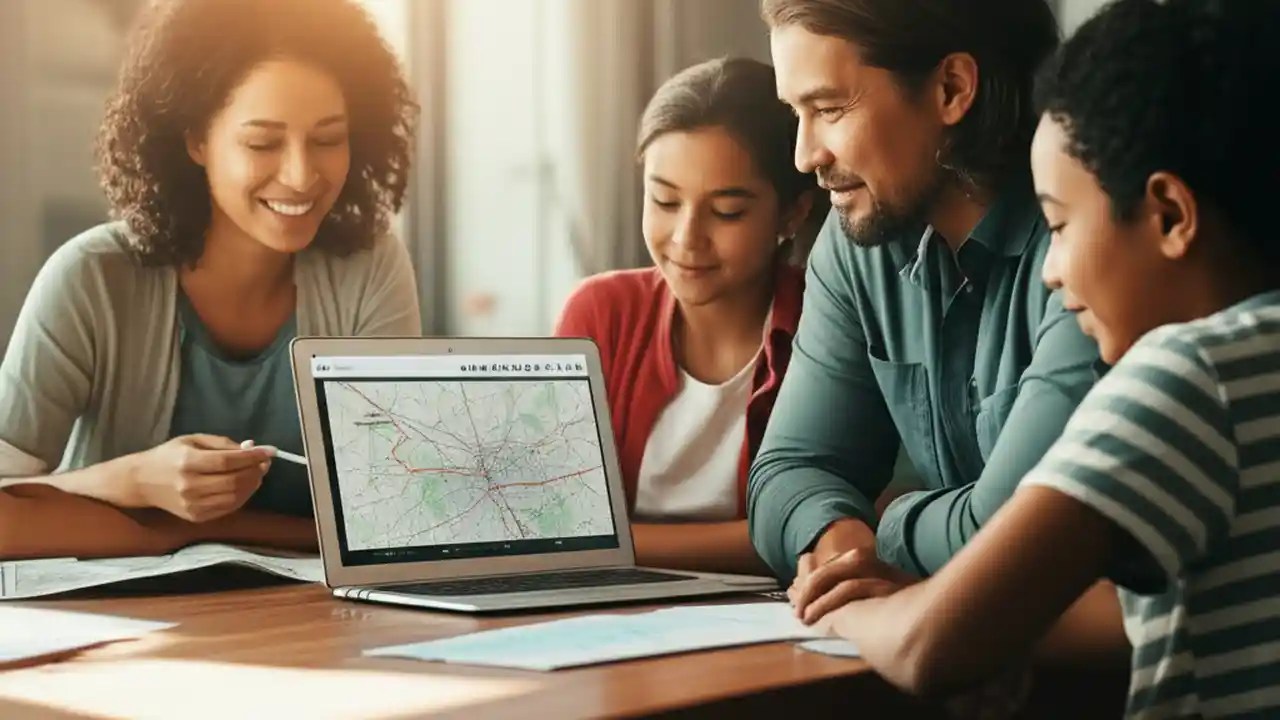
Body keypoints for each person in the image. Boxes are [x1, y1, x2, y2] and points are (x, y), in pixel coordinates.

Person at [812, 2, 1280, 716]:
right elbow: (1139, 611)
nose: (1052, 271)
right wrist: (1001, 632)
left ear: (1169, 215)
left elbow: (924, 648)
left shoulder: (1182, 378)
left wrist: (844, 607)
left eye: (1059, 224)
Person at [0, 0, 420, 560]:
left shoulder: (369, 268)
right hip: (126, 615)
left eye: (327, 140)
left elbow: (399, 509)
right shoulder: (92, 278)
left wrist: (187, 532)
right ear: (196, 139)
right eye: (262, 143)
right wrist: (133, 481)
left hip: (311, 609)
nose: (301, 176)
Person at [749, 0, 1110, 623]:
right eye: (795, 113)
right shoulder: (858, 239)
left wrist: (890, 527)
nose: (804, 156)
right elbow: (788, 470)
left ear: (951, 89)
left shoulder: (1089, 242)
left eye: (829, 109)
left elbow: (1011, 533)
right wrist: (841, 547)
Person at [556, 58, 820, 574]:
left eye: (726, 212)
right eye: (665, 201)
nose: (686, 238)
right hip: (606, 607)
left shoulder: (826, 325)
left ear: (793, 212)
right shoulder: (601, 313)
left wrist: (616, 545)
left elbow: (837, 526)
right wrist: (765, 539)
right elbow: (558, 526)